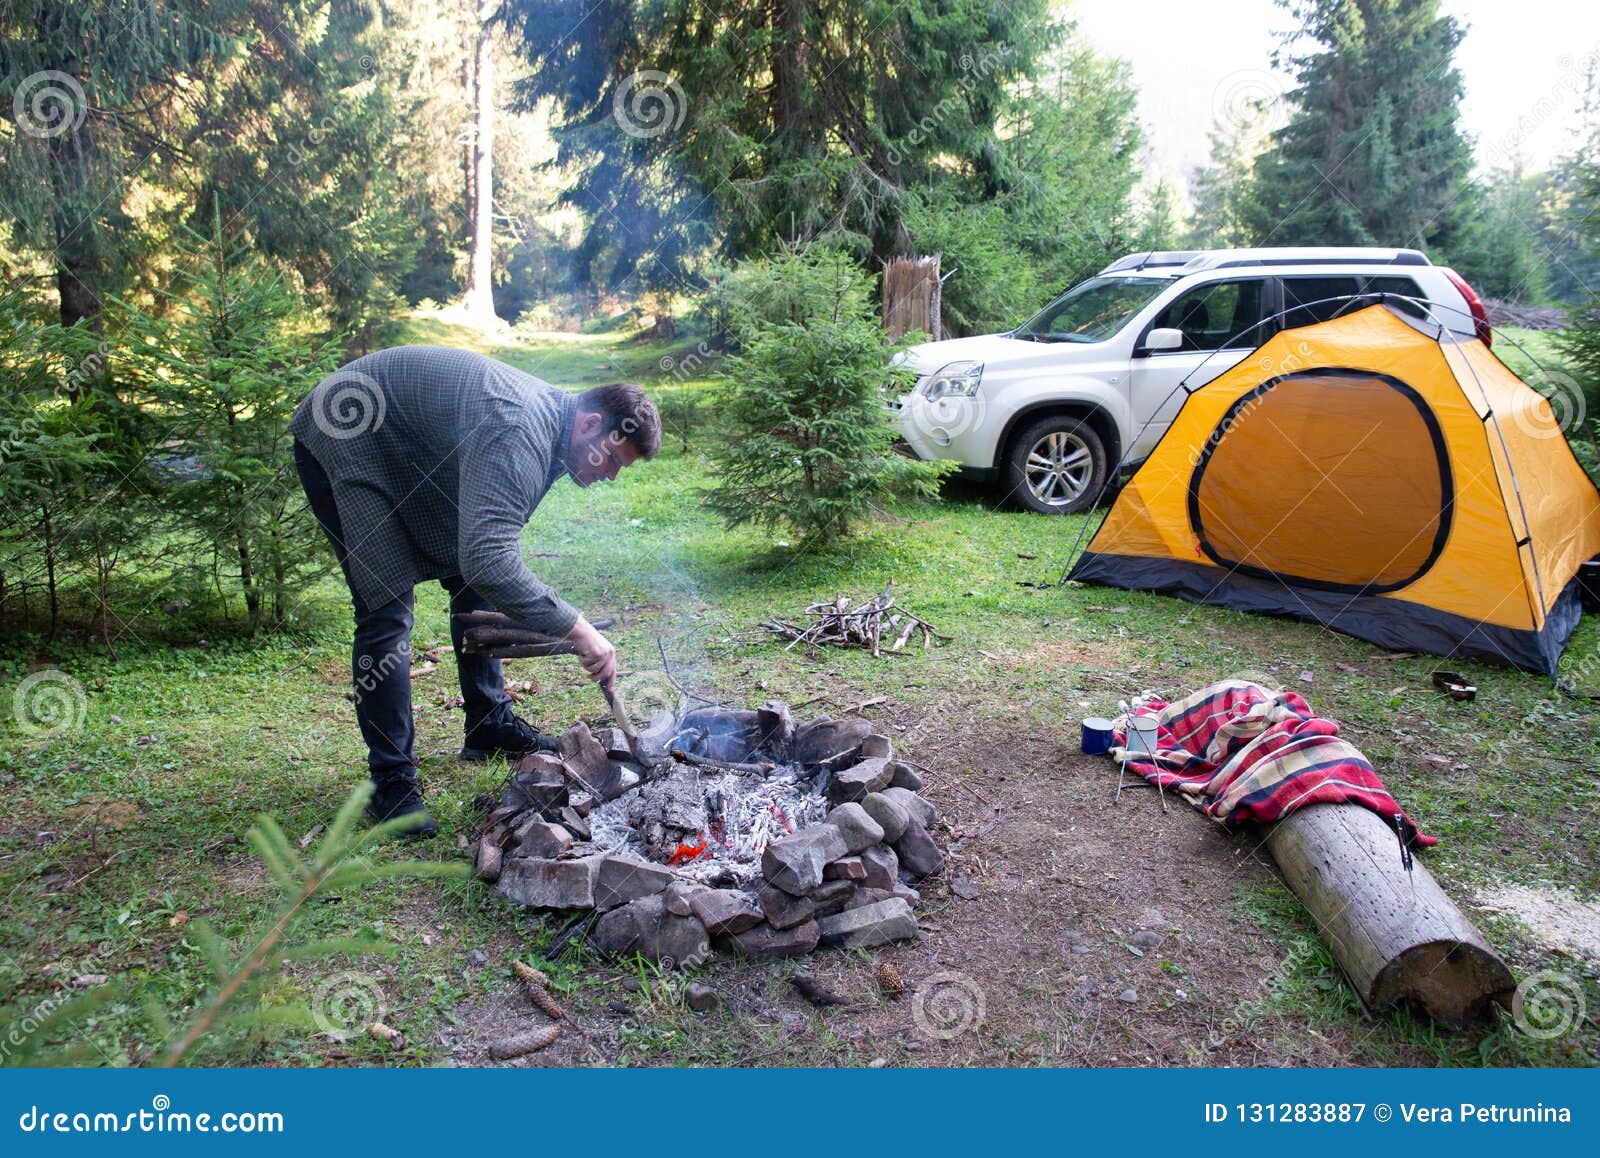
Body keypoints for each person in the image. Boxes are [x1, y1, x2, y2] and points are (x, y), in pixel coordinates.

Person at [290, 345, 660, 837]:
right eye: (612, 459)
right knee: (387, 609)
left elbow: (486, 552)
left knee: (472, 575)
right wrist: (579, 629)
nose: (610, 475)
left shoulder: (557, 436)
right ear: (591, 423)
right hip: (349, 433)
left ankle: (488, 723)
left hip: (411, 447)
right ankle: (392, 783)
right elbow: (490, 560)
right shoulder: (520, 430)